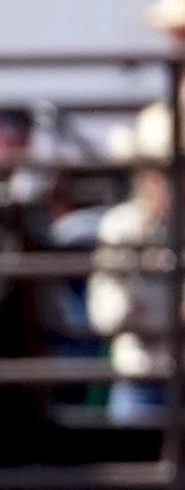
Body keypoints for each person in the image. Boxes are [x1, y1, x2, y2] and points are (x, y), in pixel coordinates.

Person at [88, 100, 177, 424]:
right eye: (159, 170)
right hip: (142, 380)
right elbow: (105, 312)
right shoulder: (122, 227)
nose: (166, 181)